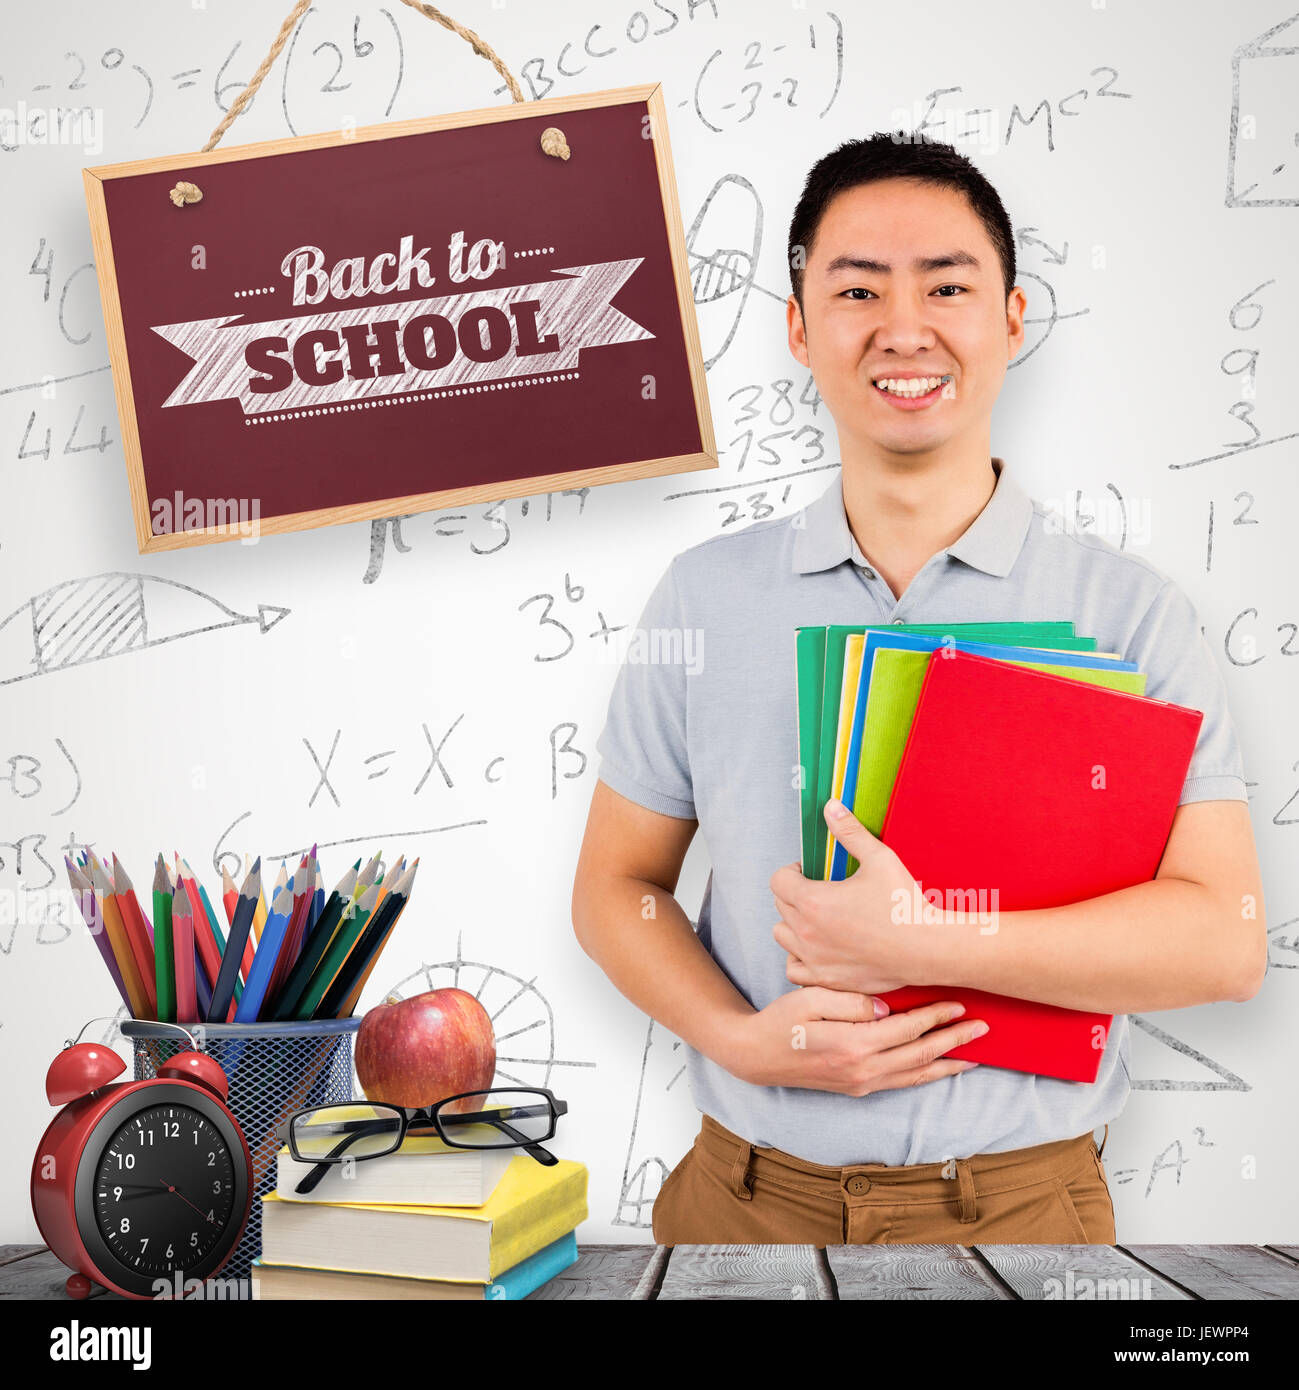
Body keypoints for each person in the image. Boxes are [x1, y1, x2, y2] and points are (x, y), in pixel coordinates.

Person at [571, 132, 1266, 1246]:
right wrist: (742, 1041)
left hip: (1023, 1212)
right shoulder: (705, 599)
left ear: (1012, 319)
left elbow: (1223, 943)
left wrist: (923, 941)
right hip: (741, 1206)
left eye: (948, 284)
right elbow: (616, 885)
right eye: (857, 289)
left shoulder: (1133, 614)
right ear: (799, 328)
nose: (905, 327)